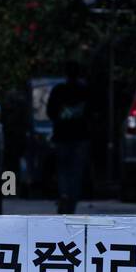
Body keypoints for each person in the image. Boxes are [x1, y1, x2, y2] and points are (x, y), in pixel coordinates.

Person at [45, 61, 91, 214]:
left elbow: (50, 112)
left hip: (62, 136)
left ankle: (64, 194)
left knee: (63, 169)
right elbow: (94, 113)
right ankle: (71, 200)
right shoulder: (85, 91)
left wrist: (60, 120)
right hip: (80, 137)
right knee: (76, 171)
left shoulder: (58, 91)